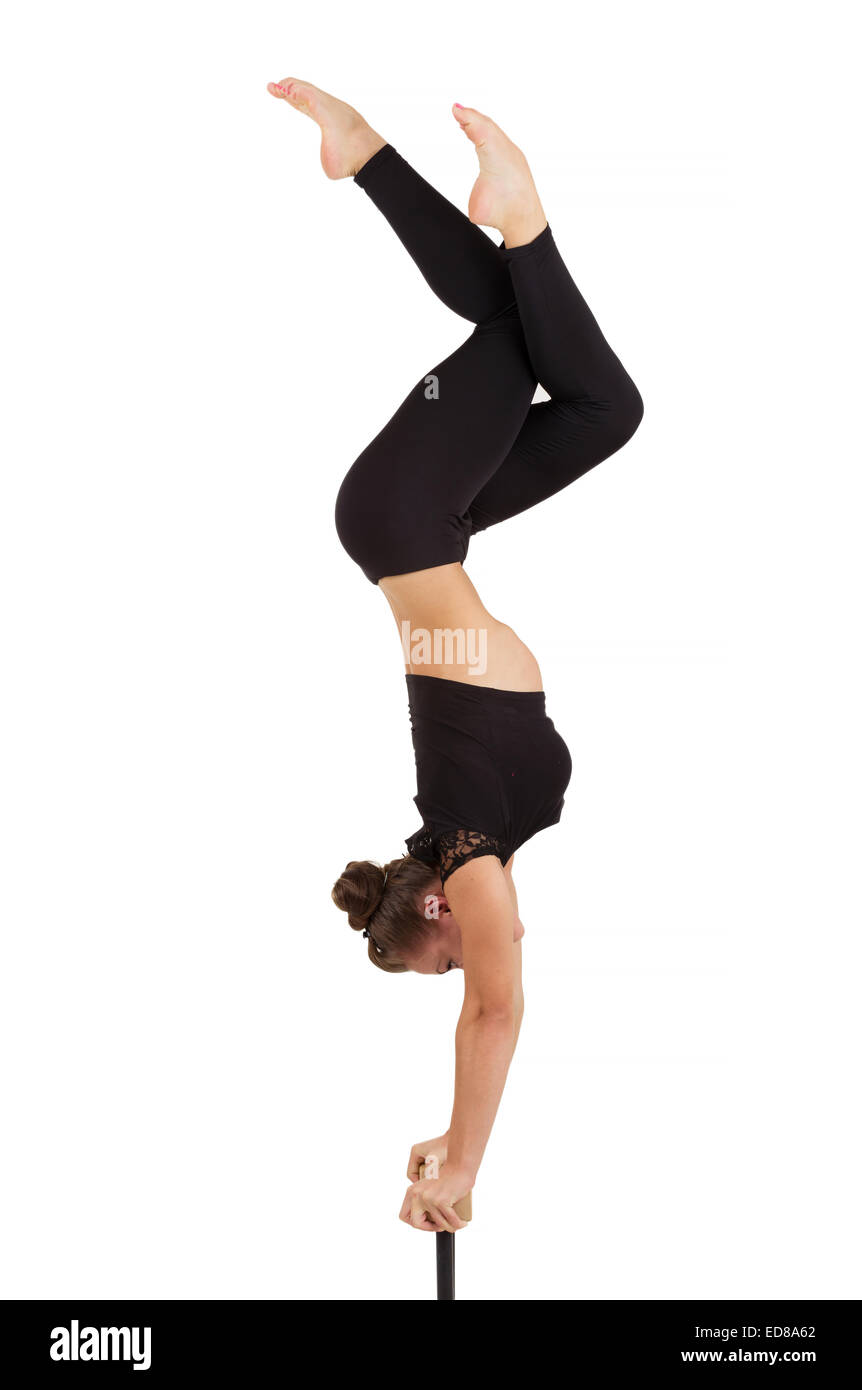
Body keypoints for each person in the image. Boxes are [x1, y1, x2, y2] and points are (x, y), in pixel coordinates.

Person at [267, 78, 644, 1234]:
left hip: (401, 515)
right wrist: (445, 1141)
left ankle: (451, 188)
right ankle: (408, 174)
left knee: (512, 336)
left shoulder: (468, 847)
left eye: (443, 957)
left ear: (434, 908)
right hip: (431, 526)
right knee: (598, 412)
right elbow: (480, 997)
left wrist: (465, 1163)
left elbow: (490, 1015)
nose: (477, 951)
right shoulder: (483, 830)